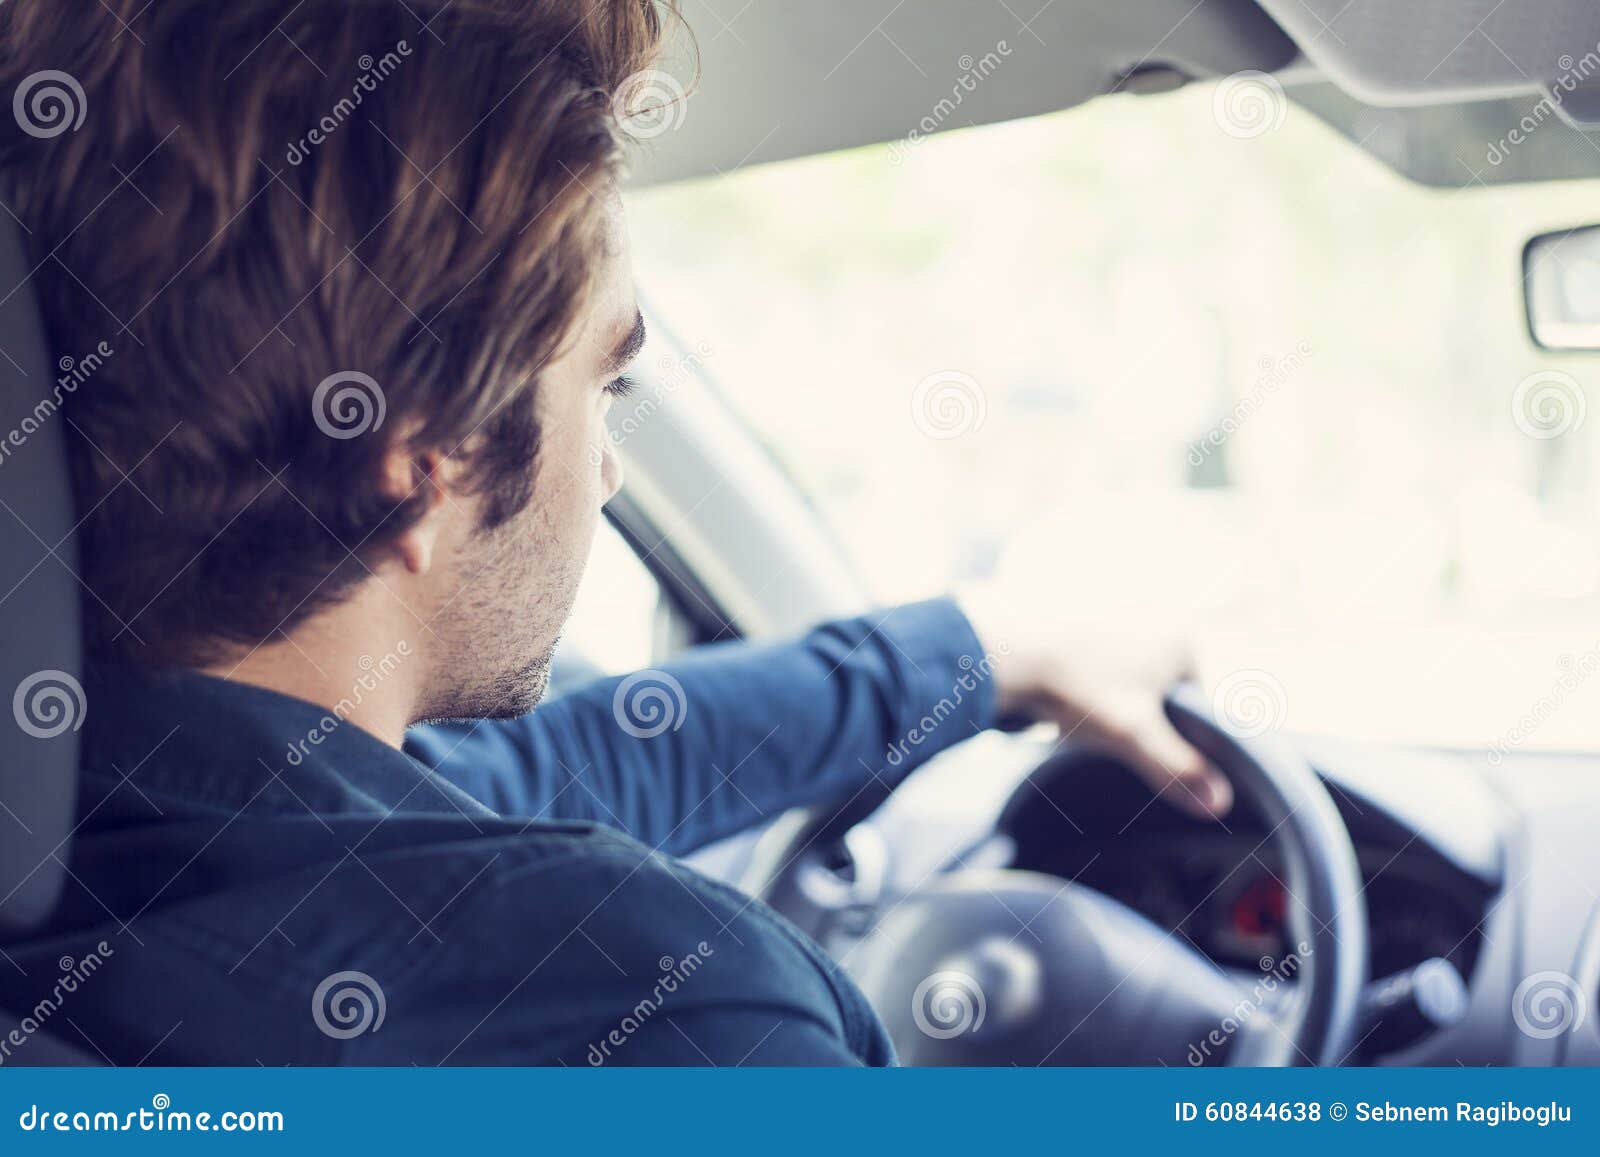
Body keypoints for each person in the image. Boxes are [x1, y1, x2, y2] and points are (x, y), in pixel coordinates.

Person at [0, 0, 1228, 1064]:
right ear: (426, 458)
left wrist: (986, 642)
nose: (607, 471)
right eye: (606, 385)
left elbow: (537, 780)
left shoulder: (82, 821)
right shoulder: (666, 1017)